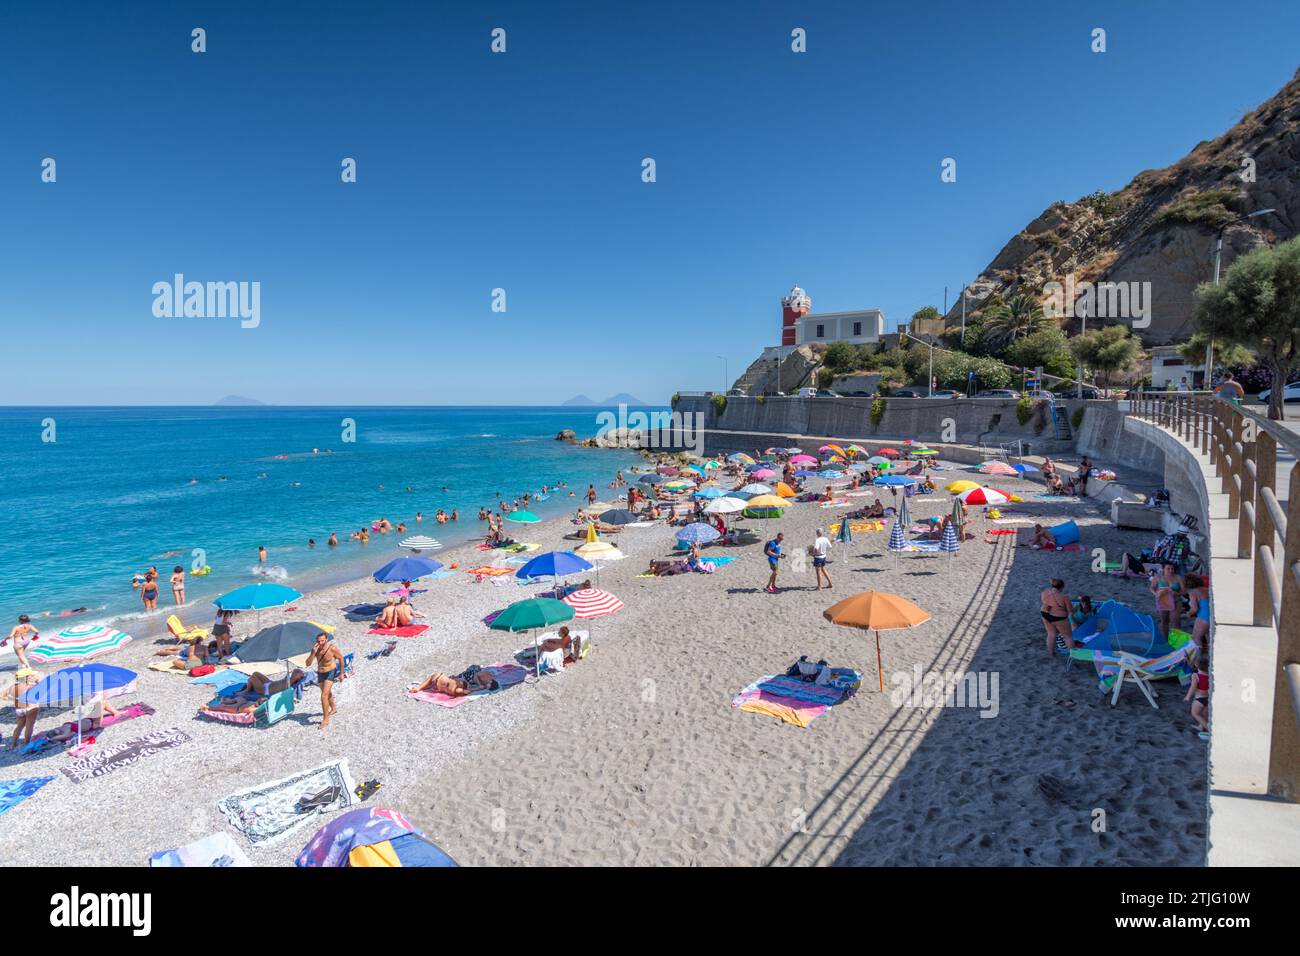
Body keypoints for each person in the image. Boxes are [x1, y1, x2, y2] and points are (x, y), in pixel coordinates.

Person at [305, 632, 345, 729]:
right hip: (320, 673)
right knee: (326, 692)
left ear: (326, 640)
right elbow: (307, 663)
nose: (321, 643)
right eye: (319, 641)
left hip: (330, 671)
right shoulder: (316, 649)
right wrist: (313, 653)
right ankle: (334, 708)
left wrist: (341, 673)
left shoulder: (332, 648)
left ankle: (325, 719)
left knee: (324, 696)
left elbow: (341, 659)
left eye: (322, 640)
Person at [1040, 578, 1075, 655]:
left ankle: (1051, 653)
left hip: (1045, 614)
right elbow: (1070, 611)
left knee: (1051, 634)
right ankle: (1073, 656)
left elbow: (1046, 603)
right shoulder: (1064, 597)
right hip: (1058, 617)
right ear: (1062, 587)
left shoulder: (1044, 592)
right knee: (1067, 637)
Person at [415, 667, 498, 697]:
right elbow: (476, 676)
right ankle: (419, 688)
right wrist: (479, 687)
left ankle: (419, 688)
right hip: (445, 683)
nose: (486, 687)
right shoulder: (486, 675)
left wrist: (477, 689)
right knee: (433, 677)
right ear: (491, 682)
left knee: (433, 677)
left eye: (487, 688)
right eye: (488, 686)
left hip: (444, 682)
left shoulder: (457, 687)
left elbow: (467, 690)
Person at [1150, 562, 1183, 637]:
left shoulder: (1178, 577)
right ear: (1163, 569)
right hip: (1163, 600)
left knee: (1175, 620)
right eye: (1168, 569)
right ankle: (1166, 638)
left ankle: (1178, 638)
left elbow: (1184, 590)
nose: (1171, 570)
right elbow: (1152, 588)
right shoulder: (1158, 577)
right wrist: (1156, 594)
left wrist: (1177, 593)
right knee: (1164, 620)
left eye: (1172, 569)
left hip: (1176, 600)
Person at [9, 669, 39, 750]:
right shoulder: (30, 687)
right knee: (29, 726)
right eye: (31, 676)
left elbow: (5, 696)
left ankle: (13, 744)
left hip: (19, 709)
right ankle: (27, 743)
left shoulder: (13, 687)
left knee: (19, 726)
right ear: (27, 678)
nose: (33, 677)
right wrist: (37, 683)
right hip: (30, 708)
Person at [1185, 573, 1211, 656]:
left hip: (1203, 617)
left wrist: (1188, 614)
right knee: (1209, 640)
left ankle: (1197, 663)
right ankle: (1210, 660)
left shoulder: (1193, 592)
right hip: (1212, 617)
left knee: (1196, 638)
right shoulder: (1207, 589)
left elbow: (1194, 609)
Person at [1184, 657, 1210, 738]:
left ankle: (1210, 730)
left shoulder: (1195, 676)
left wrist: (1188, 697)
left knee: (1195, 713)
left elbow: (1193, 688)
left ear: (1196, 665)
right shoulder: (1210, 676)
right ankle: (1201, 727)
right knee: (1203, 715)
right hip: (1208, 699)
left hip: (1199, 699)